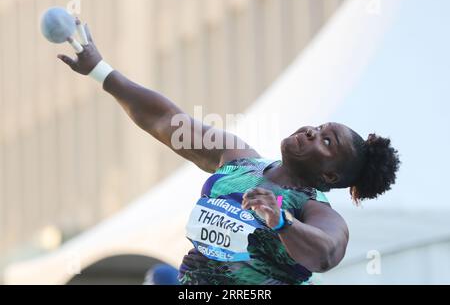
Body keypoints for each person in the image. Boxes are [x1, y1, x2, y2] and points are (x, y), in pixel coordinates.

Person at [57, 22, 401, 285]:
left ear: (330, 177)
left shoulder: (314, 211)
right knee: (161, 276)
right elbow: (166, 119)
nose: (313, 132)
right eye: (320, 128)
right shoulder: (238, 160)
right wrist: (100, 71)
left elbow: (326, 253)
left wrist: (283, 221)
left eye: (327, 142)